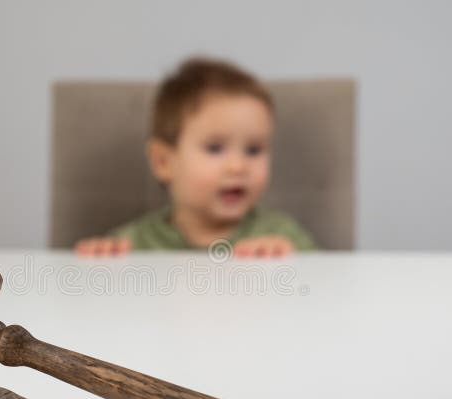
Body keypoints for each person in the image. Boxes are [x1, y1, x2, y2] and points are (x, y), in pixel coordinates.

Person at [74, 57, 316, 258]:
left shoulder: (284, 238)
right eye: (215, 148)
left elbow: (325, 289)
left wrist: (289, 264)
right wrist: (101, 259)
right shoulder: (133, 243)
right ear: (163, 162)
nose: (238, 166)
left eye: (253, 150)